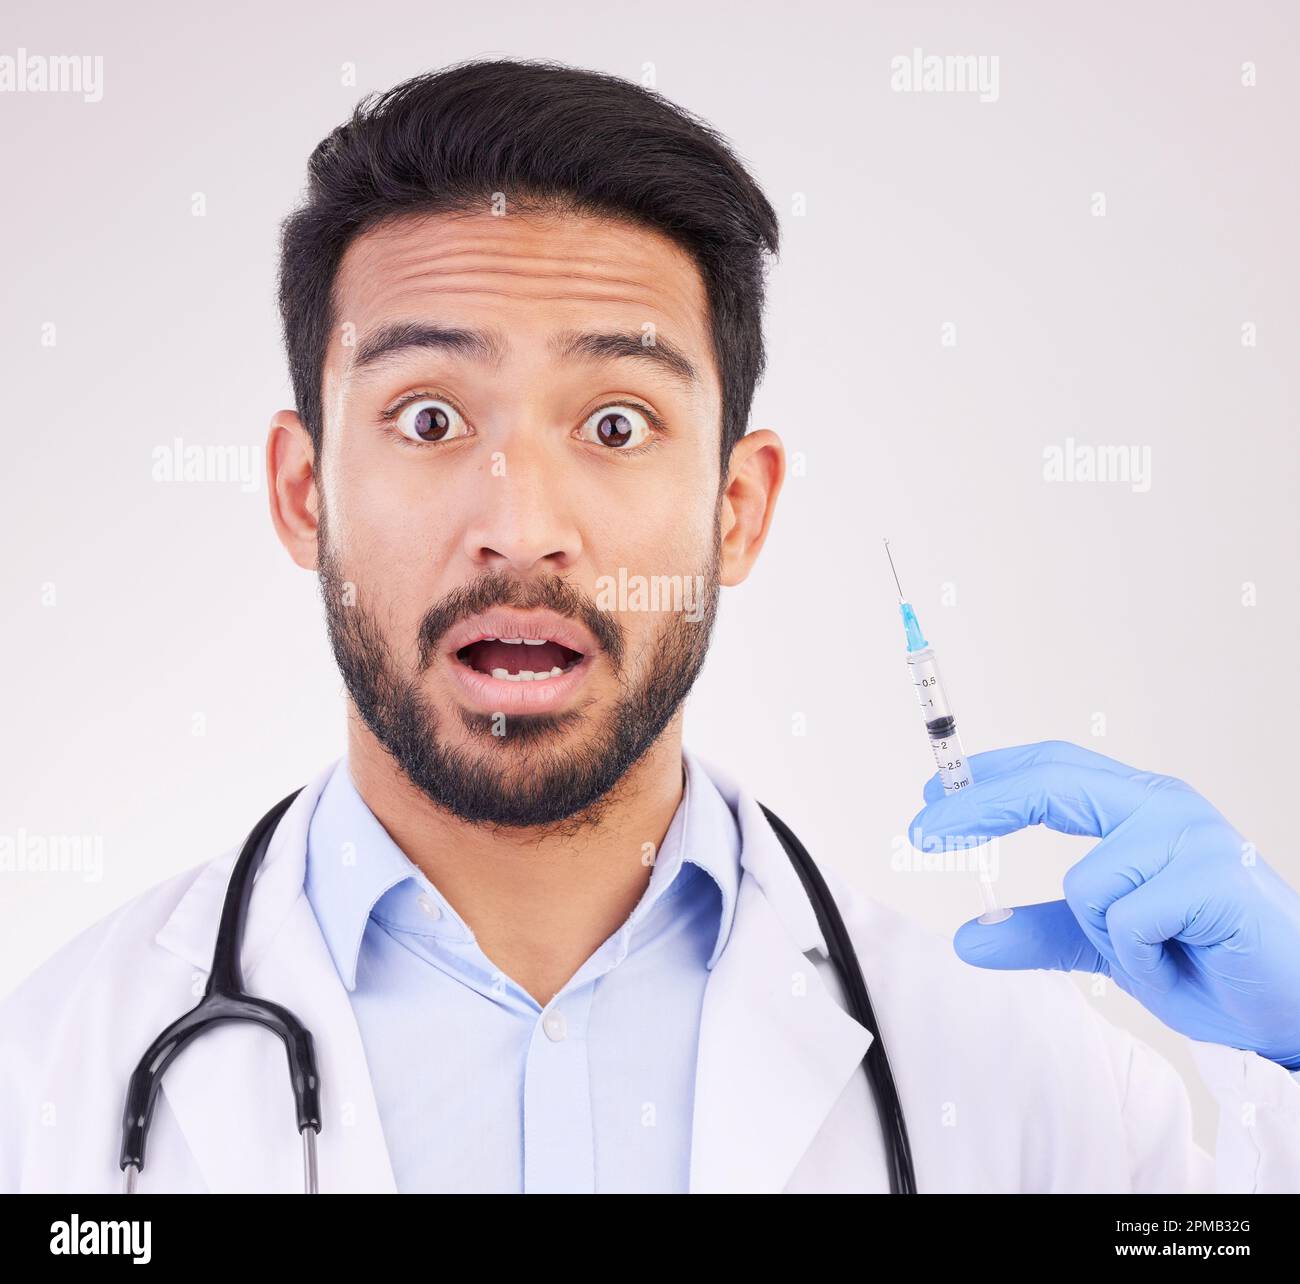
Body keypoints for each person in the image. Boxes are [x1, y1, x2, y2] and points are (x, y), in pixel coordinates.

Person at [2, 57, 1298, 1195]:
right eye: (431, 418)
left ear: (737, 507)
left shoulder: (1016, 1075)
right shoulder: (53, 1071)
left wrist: (1293, 1055)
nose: (520, 527)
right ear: (304, 492)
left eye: (616, 423)